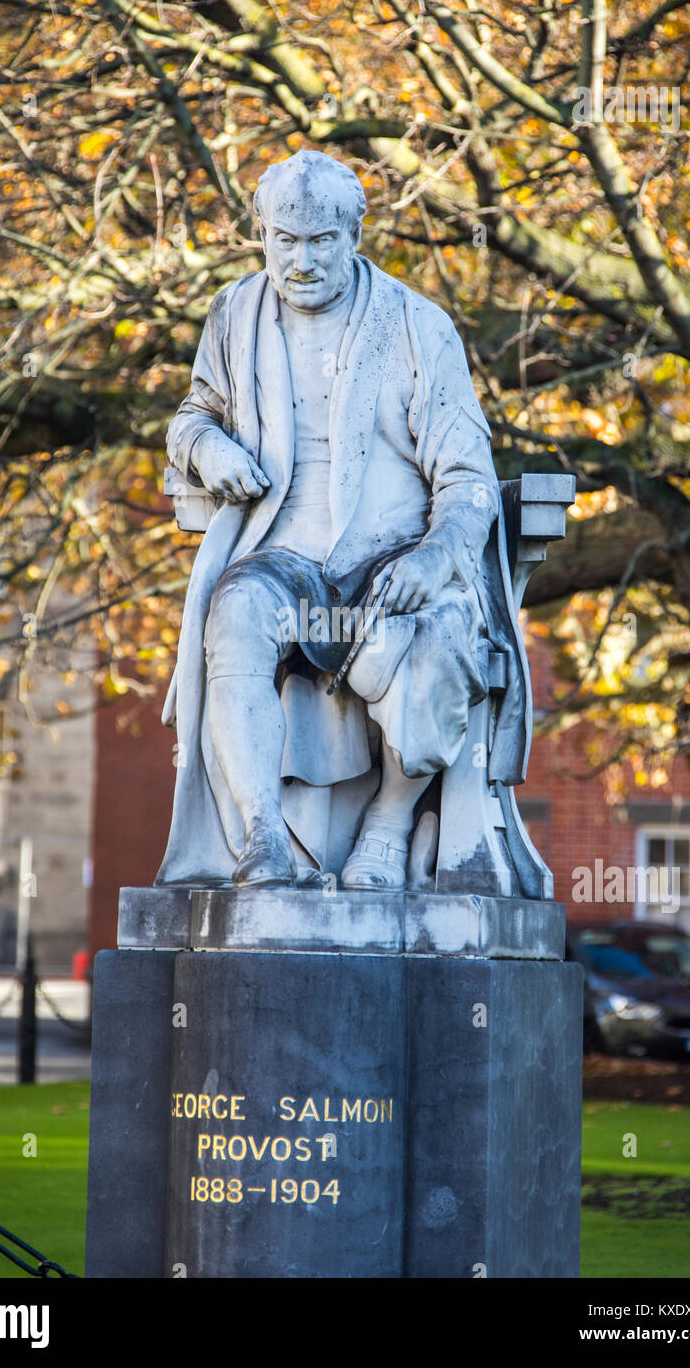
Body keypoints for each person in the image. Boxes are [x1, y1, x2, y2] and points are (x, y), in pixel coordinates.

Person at [157, 150, 527, 891]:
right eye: (284, 241)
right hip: (283, 558)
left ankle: (389, 826)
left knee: (441, 638)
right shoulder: (235, 313)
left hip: (393, 557)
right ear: (261, 235)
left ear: (356, 233)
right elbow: (192, 414)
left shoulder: (421, 327)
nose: (301, 261)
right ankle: (262, 839)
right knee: (233, 617)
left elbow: (467, 476)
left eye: (321, 241)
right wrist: (206, 447)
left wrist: (435, 556)